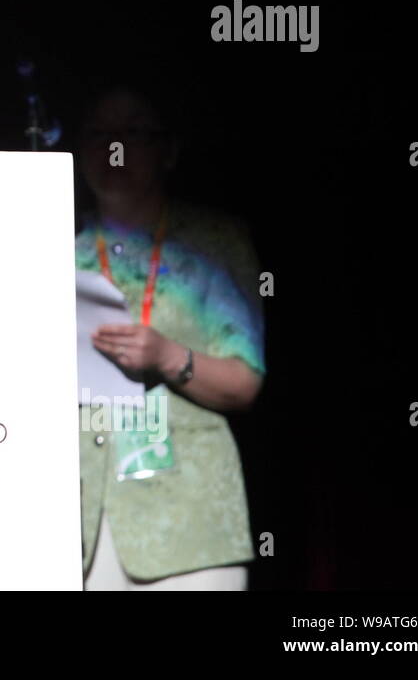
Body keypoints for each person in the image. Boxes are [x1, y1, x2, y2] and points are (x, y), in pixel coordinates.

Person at [74, 81, 265, 589]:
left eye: (133, 131)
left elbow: (244, 382)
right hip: (75, 520)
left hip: (189, 521)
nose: (114, 146)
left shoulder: (213, 241)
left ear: (168, 150)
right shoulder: (52, 241)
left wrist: (167, 356)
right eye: (99, 132)